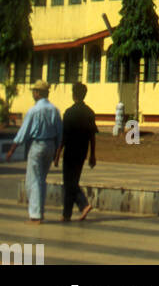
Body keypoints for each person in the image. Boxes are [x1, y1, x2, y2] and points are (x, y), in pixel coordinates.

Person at [2, 79, 63, 222]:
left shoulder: (34, 110)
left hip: (37, 146)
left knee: (34, 180)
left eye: (34, 91)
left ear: (38, 93)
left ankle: (36, 215)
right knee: (41, 179)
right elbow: (60, 133)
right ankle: (39, 212)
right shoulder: (54, 110)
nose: (33, 94)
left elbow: (22, 134)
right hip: (50, 146)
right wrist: (57, 153)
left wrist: (11, 151)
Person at [54, 81, 97, 222]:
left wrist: (58, 153)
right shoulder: (90, 112)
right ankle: (66, 214)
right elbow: (92, 136)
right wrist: (92, 155)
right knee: (72, 180)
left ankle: (83, 204)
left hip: (71, 151)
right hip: (82, 151)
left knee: (69, 182)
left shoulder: (69, 113)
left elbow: (64, 136)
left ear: (73, 95)